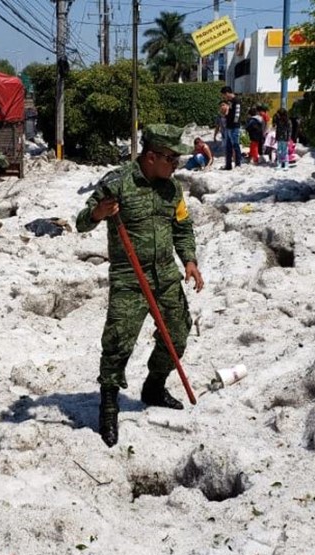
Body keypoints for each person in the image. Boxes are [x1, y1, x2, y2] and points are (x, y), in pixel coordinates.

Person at [74, 124, 205, 447]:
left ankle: (154, 386)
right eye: (171, 158)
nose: (175, 164)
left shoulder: (172, 189)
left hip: (165, 276)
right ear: (150, 157)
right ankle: (108, 404)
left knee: (176, 334)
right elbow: (80, 222)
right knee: (118, 342)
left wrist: (189, 259)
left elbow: (181, 226)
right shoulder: (117, 184)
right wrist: (99, 212)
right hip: (130, 277)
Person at [220, 86, 243, 170]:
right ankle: (228, 165)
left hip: (234, 127)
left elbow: (237, 113)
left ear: (227, 93)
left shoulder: (237, 100)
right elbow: (228, 112)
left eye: (224, 95)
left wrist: (234, 123)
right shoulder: (229, 101)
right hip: (228, 126)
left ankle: (238, 163)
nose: (224, 97)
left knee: (235, 145)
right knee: (228, 146)